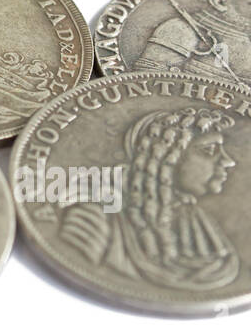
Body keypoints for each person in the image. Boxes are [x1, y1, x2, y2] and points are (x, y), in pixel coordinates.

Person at [59, 108, 240, 291]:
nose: (227, 161)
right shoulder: (94, 219)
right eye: (209, 150)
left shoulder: (197, 221)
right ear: (164, 157)